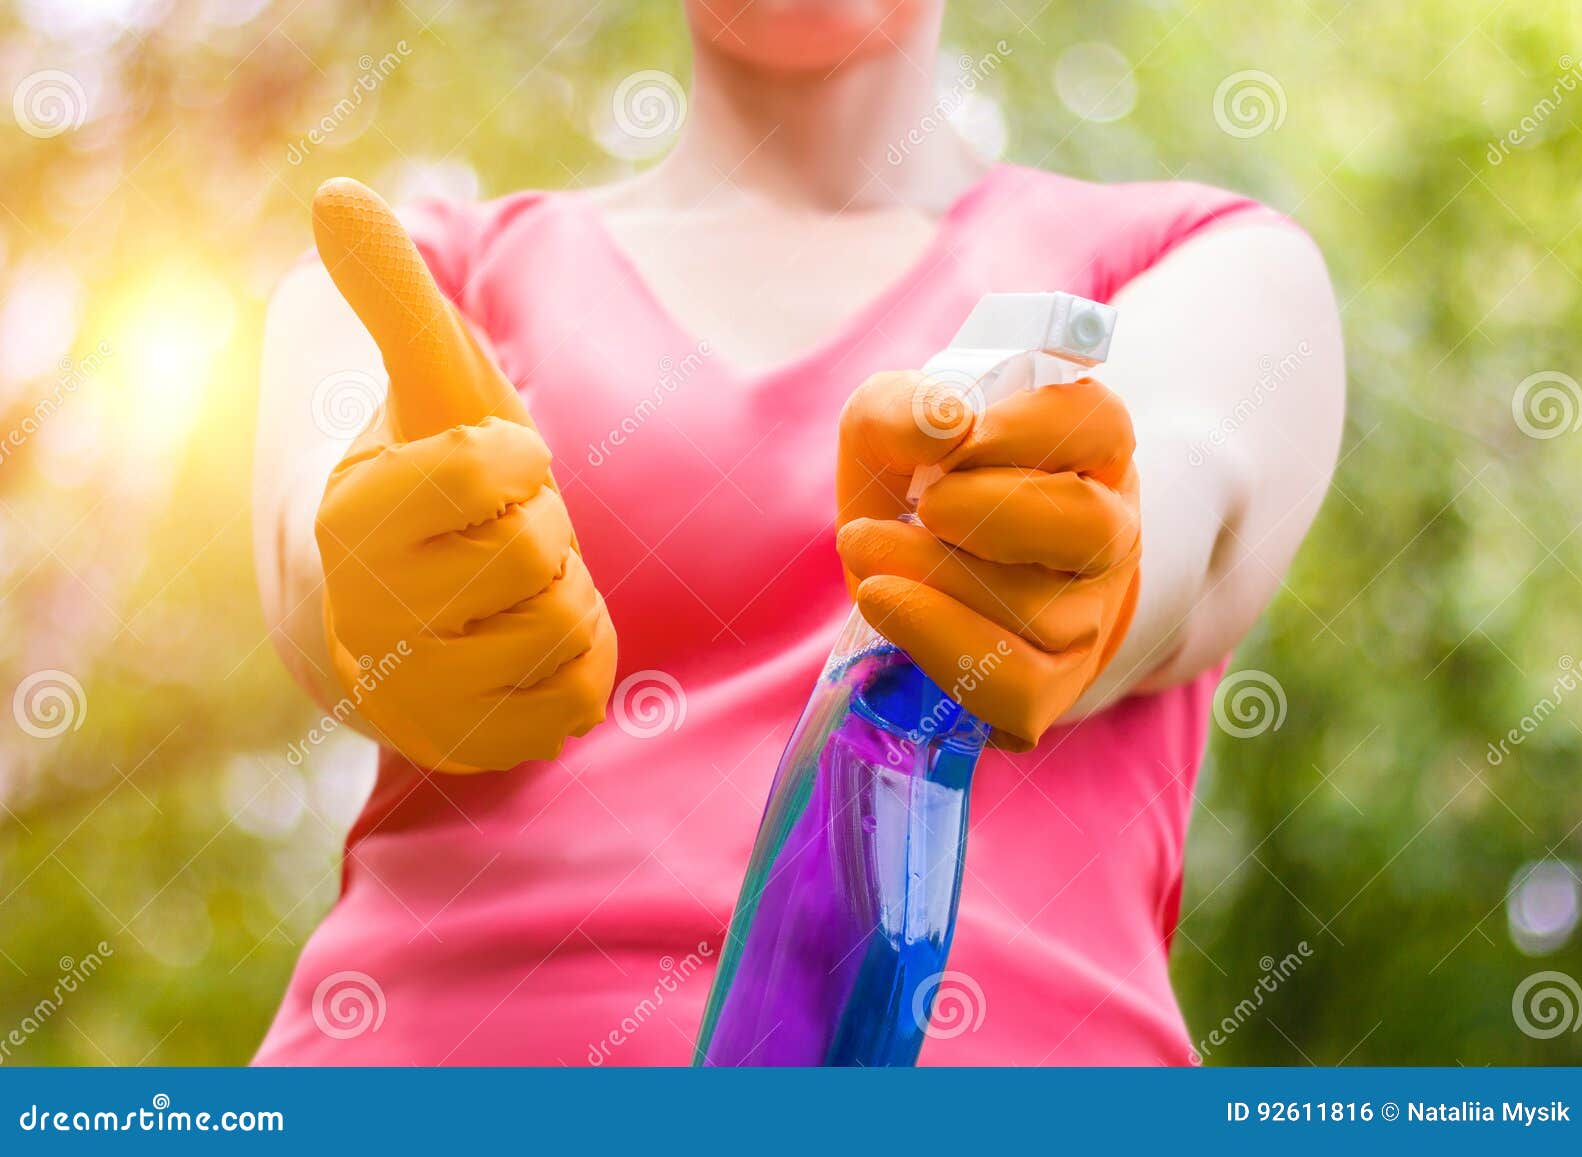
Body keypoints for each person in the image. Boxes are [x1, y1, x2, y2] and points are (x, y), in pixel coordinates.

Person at [251, 0, 1343, 1065]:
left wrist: (1071, 576)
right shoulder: (430, 273)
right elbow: (314, 551)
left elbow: (1191, 490)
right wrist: (394, 603)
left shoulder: (1202, 260)